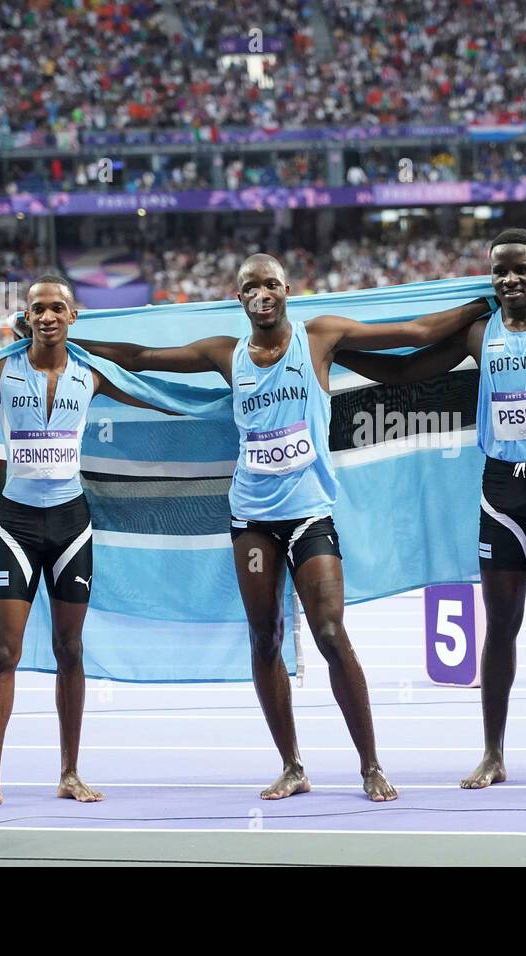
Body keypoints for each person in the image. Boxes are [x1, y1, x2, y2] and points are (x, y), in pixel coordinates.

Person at [77, 253, 494, 801]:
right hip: (251, 518)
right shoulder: (225, 354)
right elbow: (141, 356)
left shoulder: (318, 338)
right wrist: (71, 343)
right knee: (264, 636)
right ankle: (292, 765)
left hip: (309, 514)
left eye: (271, 283)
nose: (262, 293)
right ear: (241, 298)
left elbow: (413, 332)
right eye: (250, 286)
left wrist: (481, 303)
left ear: (288, 290)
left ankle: (370, 764)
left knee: (329, 632)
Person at [335, 228, 526, 789]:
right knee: (502, 627)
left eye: (520, 269)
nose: (510, 279)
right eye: (500, 271)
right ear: (490, 278)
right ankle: (492, 753)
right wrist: (337, 349)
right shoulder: (477, 331)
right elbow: (406, 370)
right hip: (501, 496)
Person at [0, 275, 173, 811]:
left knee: (69, 649)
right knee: (4, 652)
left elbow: (156, 395)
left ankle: (70, 771)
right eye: (37, 309)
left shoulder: (91, 374)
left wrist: (221, 408)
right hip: (18, 526)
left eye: (57, 308)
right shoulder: (1, 368)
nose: (47, 316)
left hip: (71, 526)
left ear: (73, 317)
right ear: (26, 318)